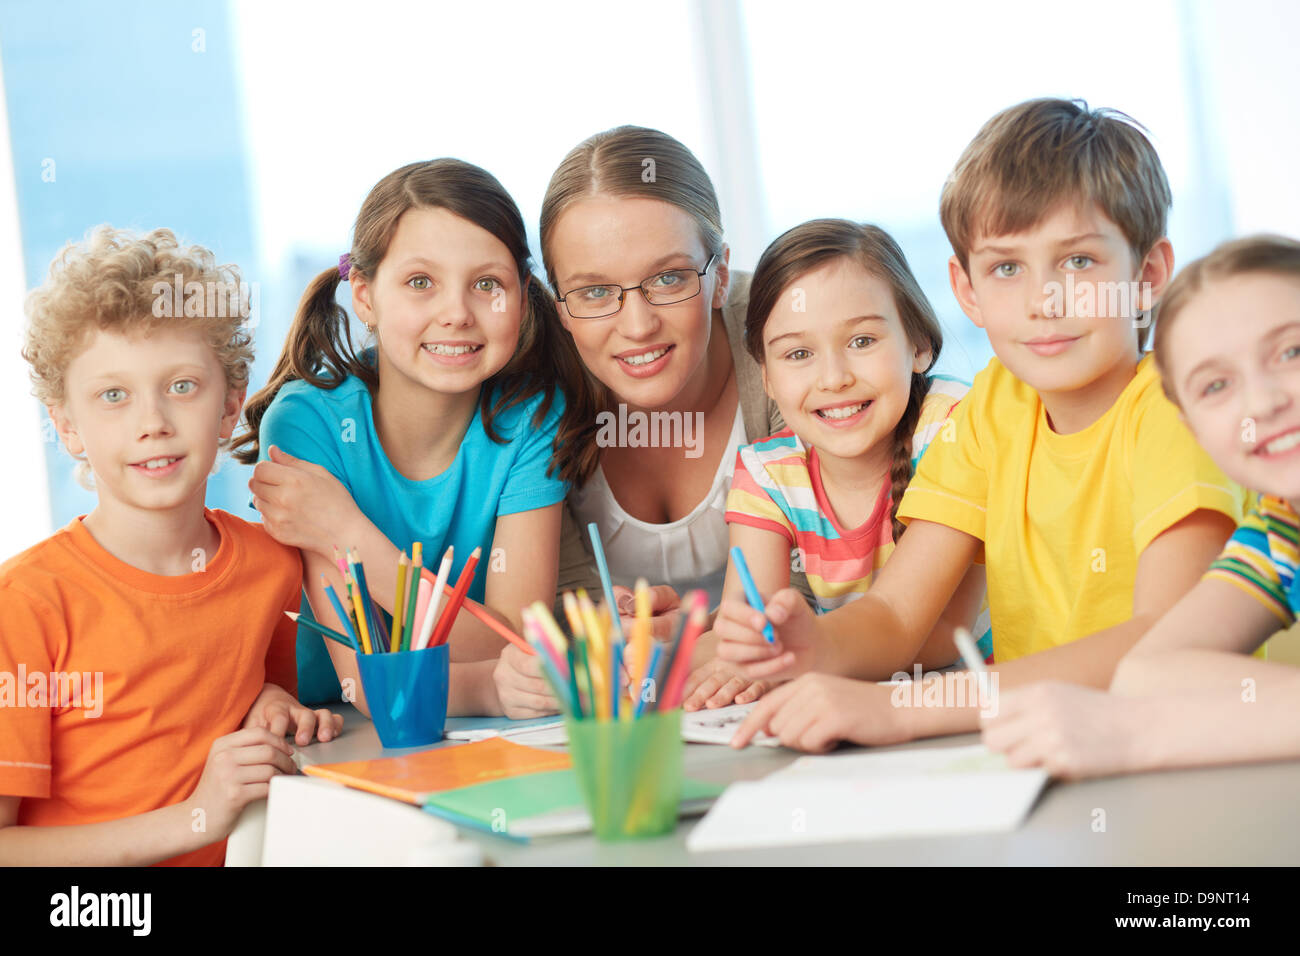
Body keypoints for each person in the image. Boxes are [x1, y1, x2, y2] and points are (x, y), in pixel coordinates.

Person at [724, 98, 1245, 752]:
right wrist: (819, 644)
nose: (1042, 300)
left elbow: (1162, 638)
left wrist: (909, 709)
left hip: (1194, 749)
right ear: (966, 289)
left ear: (1147, 276)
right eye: (1006, 267)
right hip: (1057, 750)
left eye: (1079, 261)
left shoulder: (1176, 409)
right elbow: (895, 615)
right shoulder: (993, 408)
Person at [0, 226, 337, 865]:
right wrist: (195, 818)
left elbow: (245, 703)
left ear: (230, 408)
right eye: (113, 396)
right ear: (67, 427)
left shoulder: (271, 564)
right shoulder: (24, 605)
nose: (152, 422)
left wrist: (268, 708)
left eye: (182, 386)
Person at [983, 235, 1300, 778]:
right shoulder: (1281, 530)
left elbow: (1144, 707)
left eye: (1292, 352)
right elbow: (1146, 675)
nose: (1264, 402)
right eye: (1216, 385)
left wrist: (1142, 734)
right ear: (1193, 430)